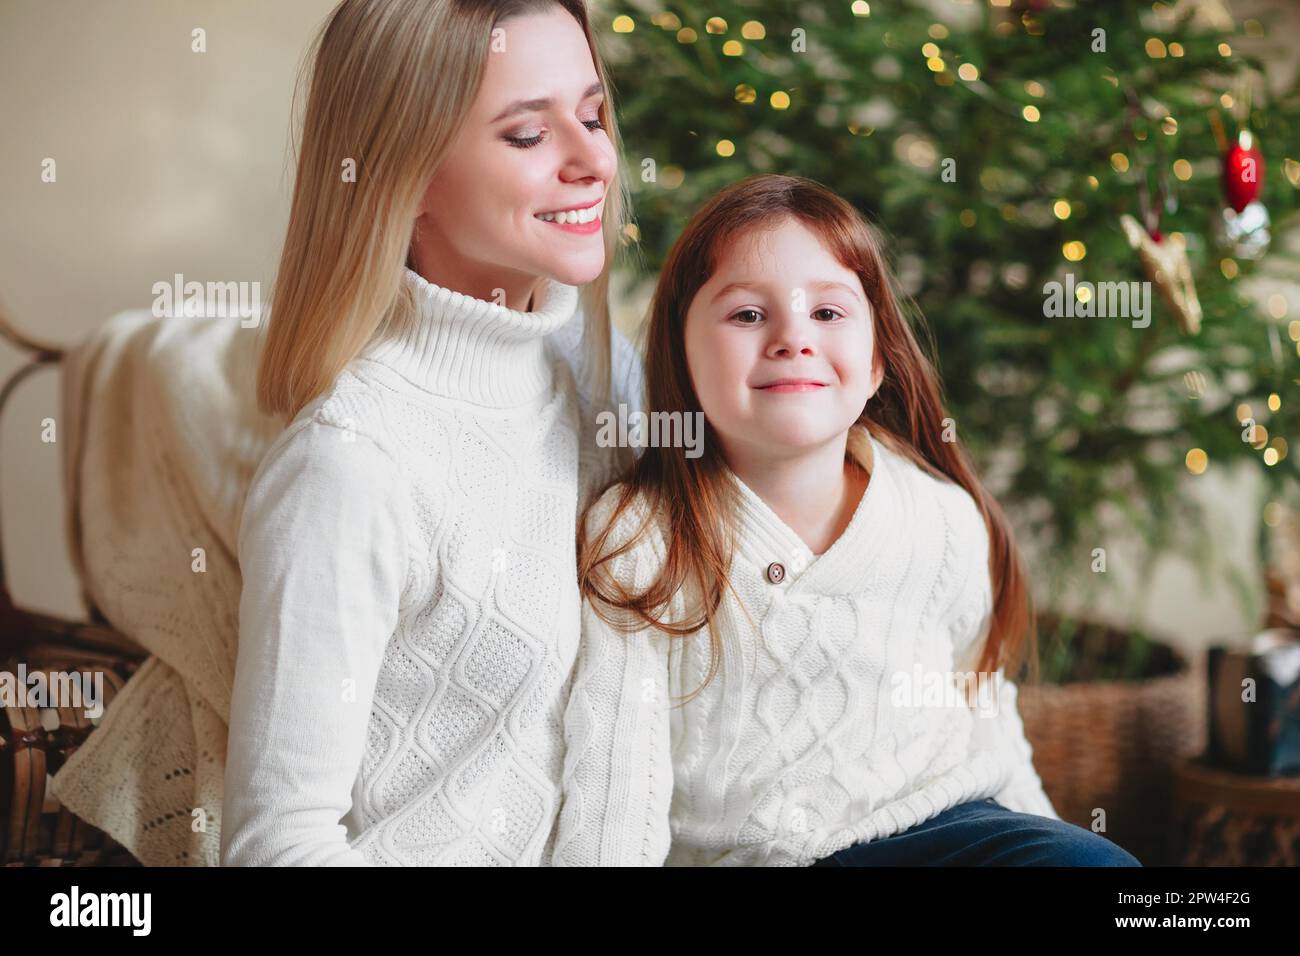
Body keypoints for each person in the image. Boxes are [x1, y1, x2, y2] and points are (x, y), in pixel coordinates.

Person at [551, 174, 1142, 867]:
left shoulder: (939, 519)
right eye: (747, 315)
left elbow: (983, 711)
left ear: (877, 362)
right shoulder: (640, 539)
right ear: (682, 354)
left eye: (828, 314)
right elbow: (616, 775)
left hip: (944, 830)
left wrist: (1052, 840)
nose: (791, 338)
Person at [221, 0, 642, 866]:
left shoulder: (600, 387)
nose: (594, 158)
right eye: (528, 136)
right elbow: (277, 849)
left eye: (594, 115)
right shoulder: (347, 466)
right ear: (402, 180)